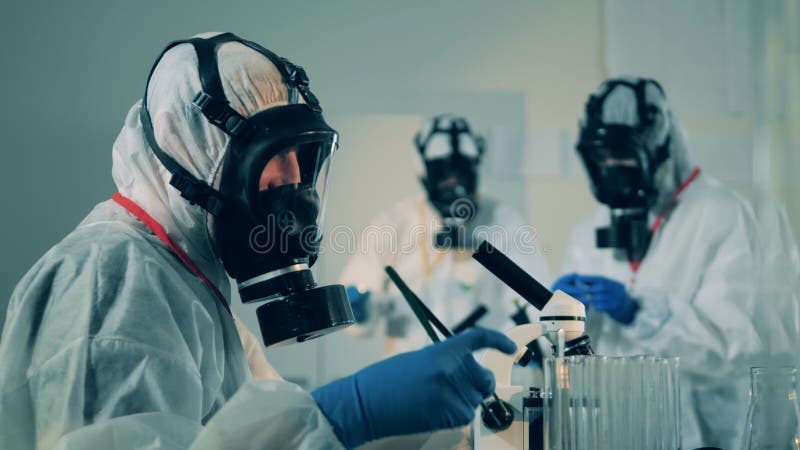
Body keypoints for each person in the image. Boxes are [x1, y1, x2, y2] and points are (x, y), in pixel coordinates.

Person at [0, 32, 517, 450]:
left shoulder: (188, 282)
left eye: (302, 157)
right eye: (274, 155)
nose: (296, 182)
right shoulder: (110, 277)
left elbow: (251, 429)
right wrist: (346, 412)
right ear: (190, 149)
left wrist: (392, 429)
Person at [553, 77, 798, 450]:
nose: (613, 167)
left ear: (659, 148)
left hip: (704, 439)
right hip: (614, 435)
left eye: (624, 155)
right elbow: (580, 362)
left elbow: (734, 349)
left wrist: (641, 312)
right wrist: (560, 319)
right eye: (603, 158)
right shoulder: (590, 231)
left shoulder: (719, 214)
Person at [340, 114, 551, 356]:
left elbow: (535, 300)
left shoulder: (504, 222)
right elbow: (357, 300)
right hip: (412, 370)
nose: (453, 183)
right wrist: (360, 308)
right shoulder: (393, 223)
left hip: (483, 373)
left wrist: (533, 345)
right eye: (443, 174)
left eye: (461, 173)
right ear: (424, 173)